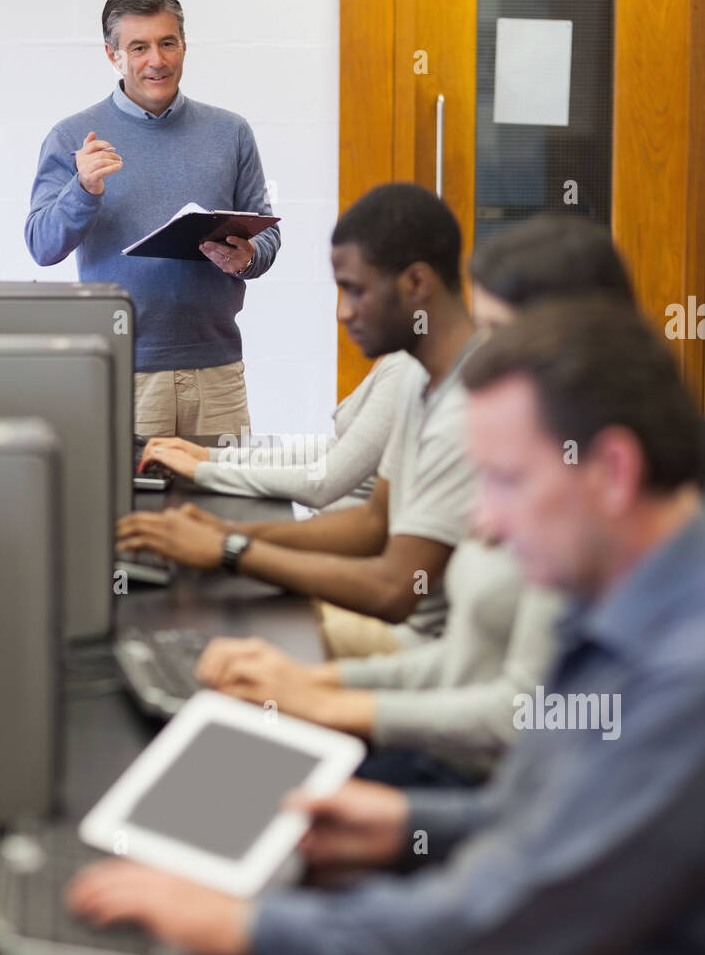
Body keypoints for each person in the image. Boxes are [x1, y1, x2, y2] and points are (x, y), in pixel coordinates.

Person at [68, 301, 705, 955]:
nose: (486, 523)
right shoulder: (612, 600)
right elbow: (556, 818)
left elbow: (503, 917)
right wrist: (405, 825)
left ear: (611, 473)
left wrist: (252, 928)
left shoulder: (682, 676)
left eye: (506, 481)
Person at [192, 213, 637, 785]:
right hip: (454, 744)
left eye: (500, 335)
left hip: (477, 775)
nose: (484, 358)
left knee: (248, 779)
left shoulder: (586, 491)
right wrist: (316, 687)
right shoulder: (493, 429)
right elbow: (459, 662)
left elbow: (515, 716)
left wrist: (232, 548)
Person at [117, 182, 481, 658]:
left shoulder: (464, 404)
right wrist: (224, 533)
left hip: (412, 645)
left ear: (415, 284)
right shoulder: (420, 378)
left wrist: (229, 549)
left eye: (355, 291)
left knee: (192, 637)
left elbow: (393, 591)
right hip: (388, 620)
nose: (342, 312)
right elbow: (371, 524)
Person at [24, 0, 280, 437]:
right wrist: (83, 188)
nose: (156, 61)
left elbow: (266, 230)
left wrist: (249, 256)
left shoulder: (231, 132)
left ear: (184, 46)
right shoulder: (73, 137)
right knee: (129, 506)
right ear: (112, 55)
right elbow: (42, 246)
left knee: (221, 505)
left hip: (217, 371)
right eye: (138, 47)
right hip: (125, 374)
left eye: (167, 43)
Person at [136, 351, 418, 512]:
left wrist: (203, 471)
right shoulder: (399, 361)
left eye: (359, 290)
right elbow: (332, 453)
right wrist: (210, 457)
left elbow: (321, 483)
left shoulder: (408, 370)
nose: (344, 312)